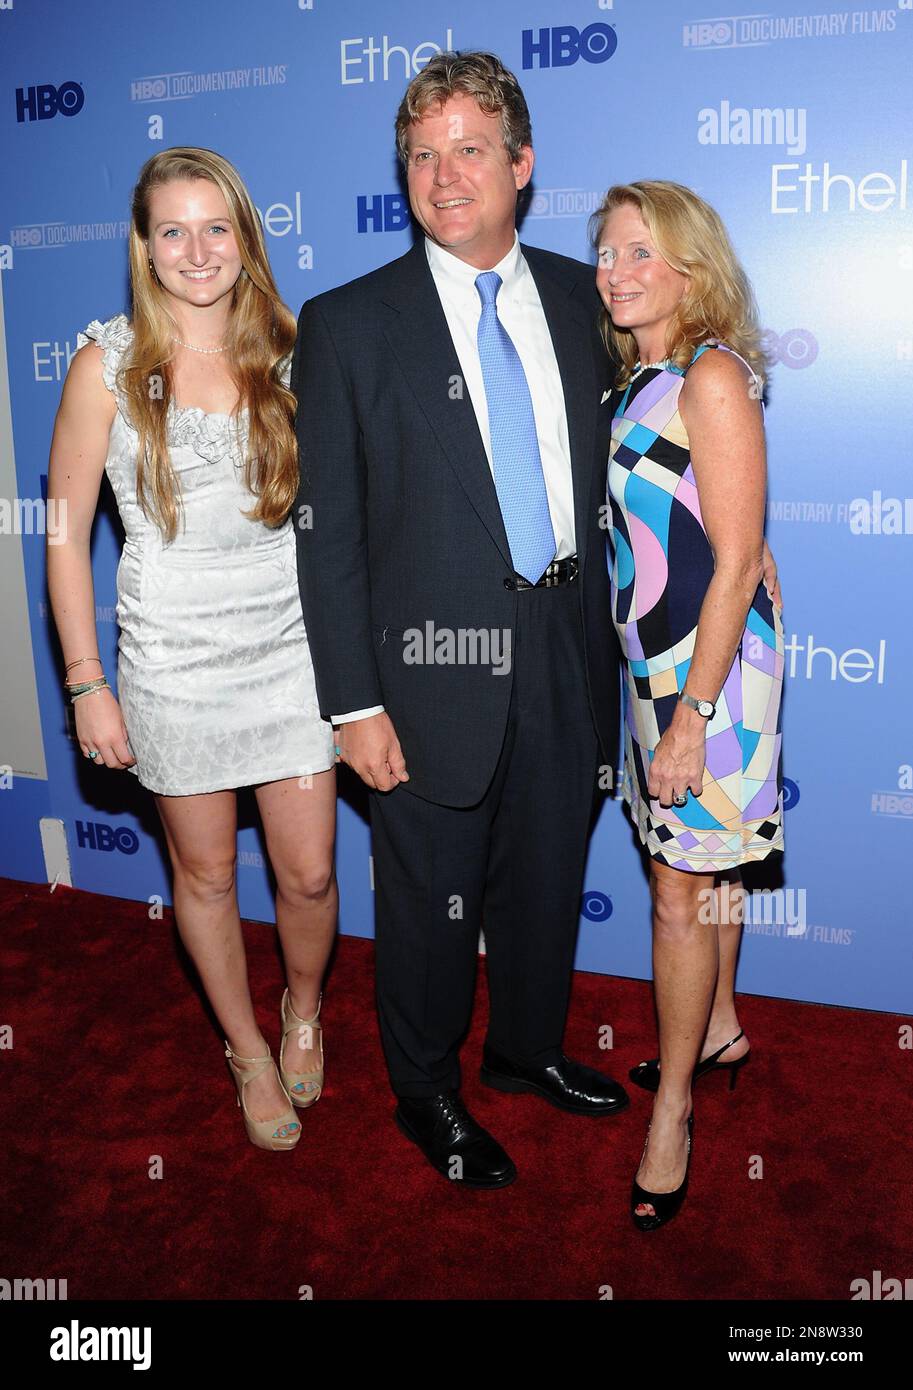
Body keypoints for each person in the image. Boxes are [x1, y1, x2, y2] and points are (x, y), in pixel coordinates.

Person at [292, 51, 630, 1188]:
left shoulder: (591, 298)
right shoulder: (346, 325)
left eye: (470, 149)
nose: (444, 176)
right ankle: (424, 1091)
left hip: (570, 641)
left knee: (544, 872)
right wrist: (350, 699)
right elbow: (325, 530)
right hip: (427, 666)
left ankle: (525, 1053)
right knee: (430, 899)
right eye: (422, 155)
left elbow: (655, 446)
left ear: (521, 165)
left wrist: (742, 534)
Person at [46, 147, 337, 1152]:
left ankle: (304, 1008)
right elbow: (63, 534)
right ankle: (247, 1048)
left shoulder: (296, 353)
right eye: (173, 229)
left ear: (246, 237)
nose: (196, 249)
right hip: (168, 659)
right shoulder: (106, 363)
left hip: (291, 652)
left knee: (305, 875)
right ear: (143, 244)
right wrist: (87, 684)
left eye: (216, 227)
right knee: (204, 876)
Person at [594, 180, 785, 1228]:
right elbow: (717, 523)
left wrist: (690, 716)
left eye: (639, 253)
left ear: (690, 267)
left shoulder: (710, 376)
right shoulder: (644, 377)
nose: (616, 271)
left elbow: (729, 564)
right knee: (704, 865)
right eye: (607, 254)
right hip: (659, 663)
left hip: (704, 677)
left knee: (677, 889)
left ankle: (670, 1109)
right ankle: (715, 1026)